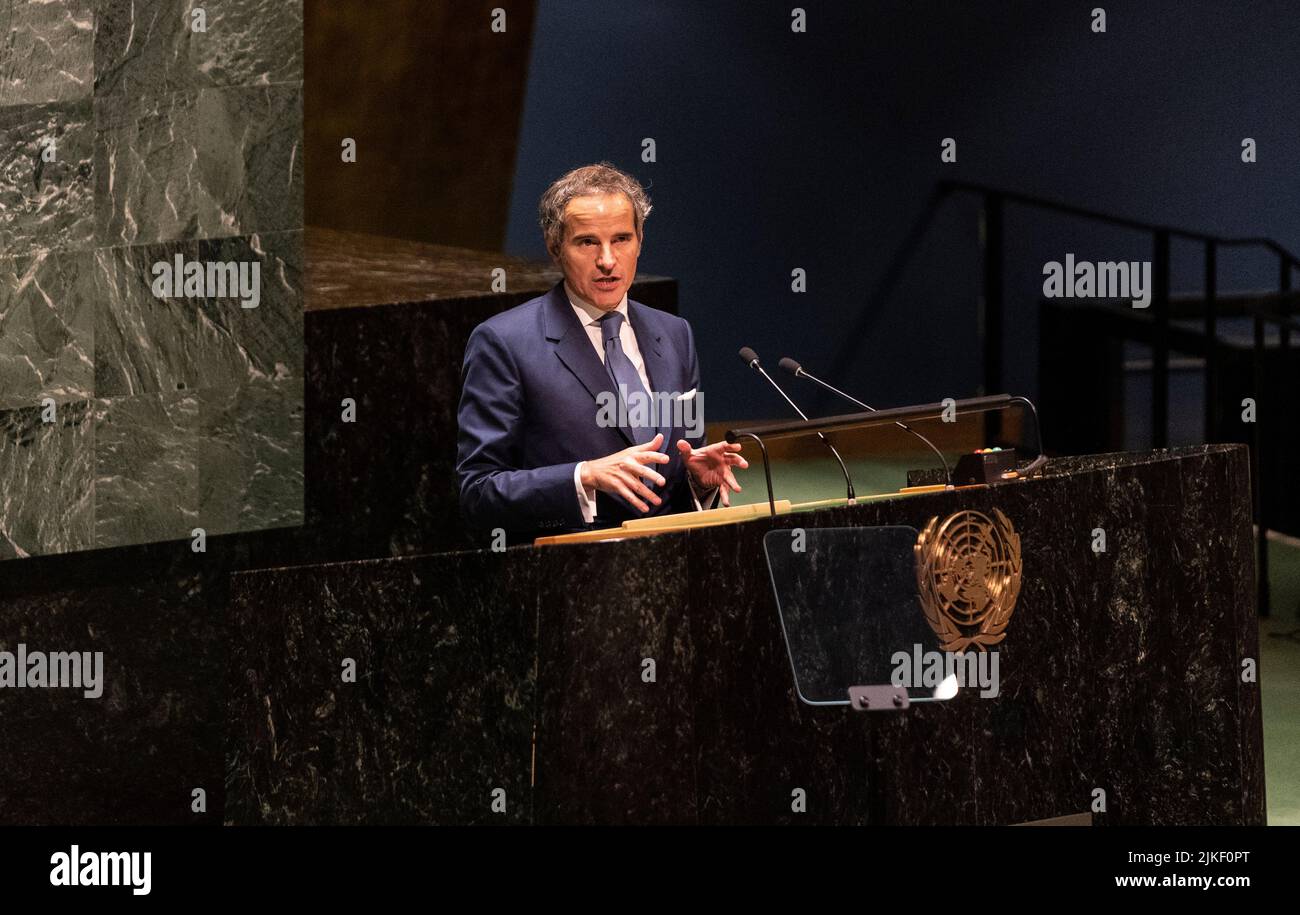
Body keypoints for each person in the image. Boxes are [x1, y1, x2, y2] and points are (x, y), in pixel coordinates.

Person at [456, 162, 746, 542]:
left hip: (670, 570)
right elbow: (477, 493)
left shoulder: (675, 334)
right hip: (567, 575)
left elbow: (686, 456)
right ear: (555, 246)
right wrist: (584, 476)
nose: (607, 260)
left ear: (640, 241)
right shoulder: (502, 343)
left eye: (622, 239)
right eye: (587, 242)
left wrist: (696, 479)